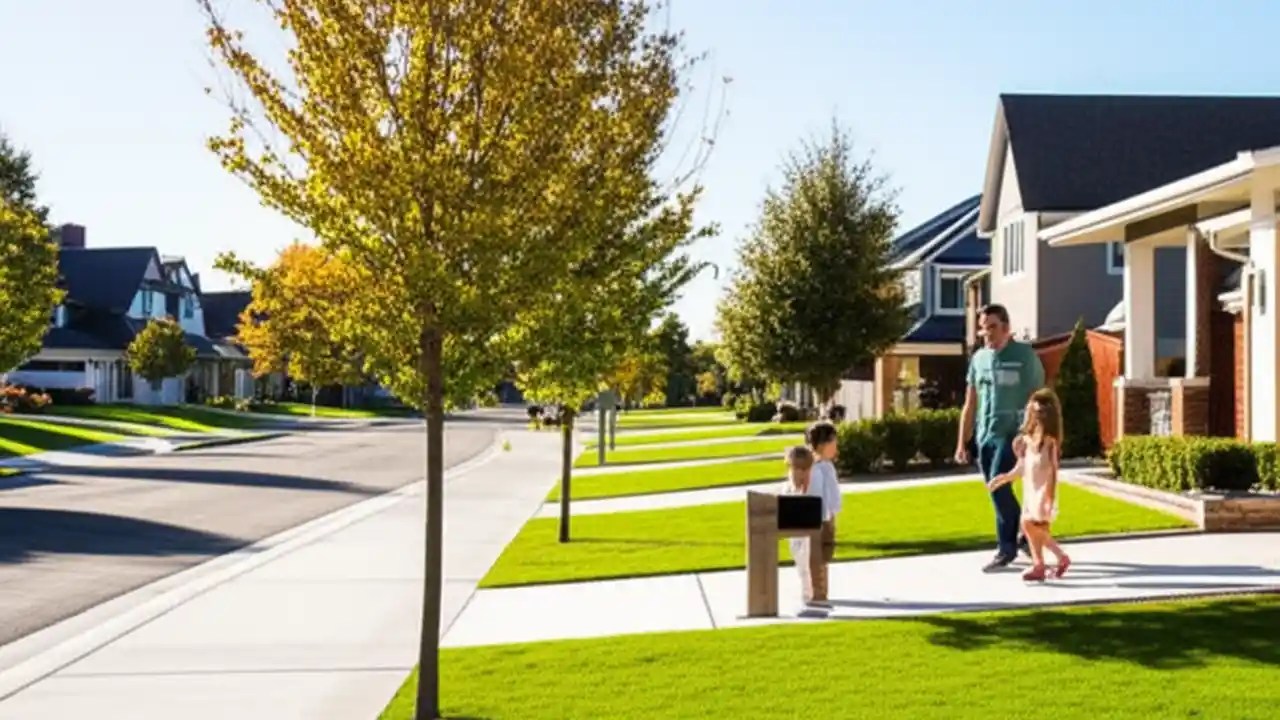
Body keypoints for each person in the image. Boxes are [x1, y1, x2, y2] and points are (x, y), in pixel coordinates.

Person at [955, 303, 1045, 572]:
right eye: (984, 329)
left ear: (1006, 328)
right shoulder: (979, 360)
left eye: (993, 327)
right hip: (987, 436)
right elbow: (970, 404)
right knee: (998, 487)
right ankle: (1026, 535)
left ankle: (1006, 548)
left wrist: (1030, 433)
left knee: (997, 484)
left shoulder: (1025, 356)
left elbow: (1038, 399)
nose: (988, 334)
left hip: (1015, 435)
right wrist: (963, 442)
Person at [987, 388, 1072, 582]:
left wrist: (1048, 497)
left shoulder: (1050, 443)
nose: (1037, 416)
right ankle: (1044, 563)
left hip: (1042, 493)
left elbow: (1052, 472)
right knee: (1034, 530)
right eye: (1035, 412)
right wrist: (1001, 479)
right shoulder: (1026, 441)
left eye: (1041, 412)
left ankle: (1049, 561)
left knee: (1029, 526)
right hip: (1030, 492)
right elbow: (1020, 469)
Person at [804, 421, 842, 606]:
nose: (836, 446)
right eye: (833, 442)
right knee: (818, 556)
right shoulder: (816, 469)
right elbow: (818, 497)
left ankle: (822, 591)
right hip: (819, 521)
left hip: (828, 518)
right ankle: (817, 592)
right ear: (821, 445)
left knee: (825, 555)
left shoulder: (826, 466)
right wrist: (825, 519)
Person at [779, 445, 819, 605]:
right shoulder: (788, 485)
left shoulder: (813, 481)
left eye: (804, 468)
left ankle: (809, 594)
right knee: (800, 562)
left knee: (807, 562)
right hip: (794, 529)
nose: (800, 472)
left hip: (808, 528)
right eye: (796, 468)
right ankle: (807, 592)